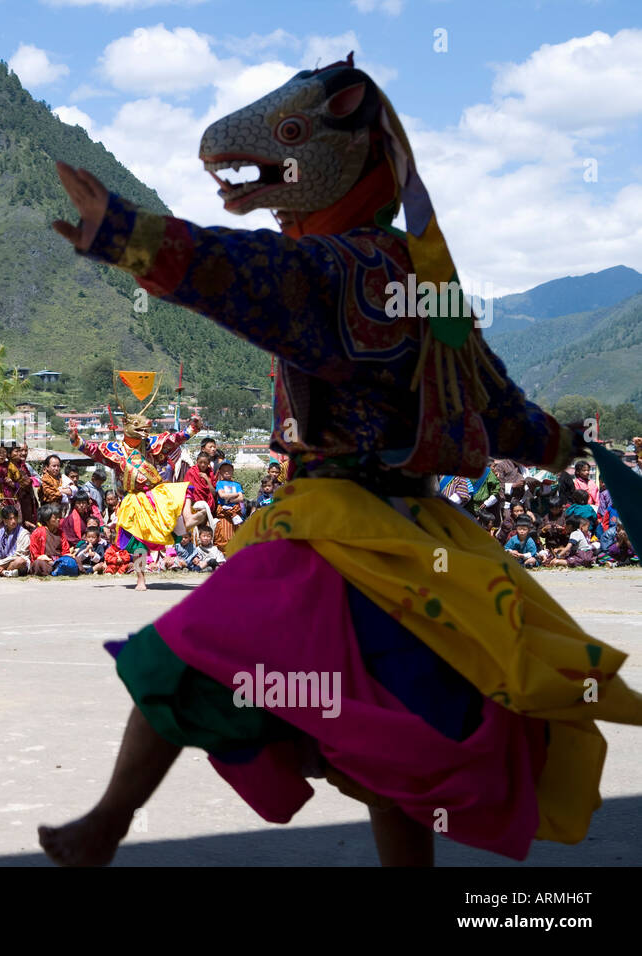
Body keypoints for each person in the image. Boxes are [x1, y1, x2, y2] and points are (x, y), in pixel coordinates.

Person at [39, 59, 642, 868]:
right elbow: (498, 410)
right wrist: (568, 445)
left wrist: (132, 235)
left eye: (291, 138)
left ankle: (108, 822)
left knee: (192, 650)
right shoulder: (428, 287)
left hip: (335, 532)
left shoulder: (356, 267)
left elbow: (257, 279)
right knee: (402, 749)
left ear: (348, 151)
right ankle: (107, 823)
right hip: (423, 541)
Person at [69, 412, 208, 592]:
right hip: (133, 500)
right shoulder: (115, 451)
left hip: (155, 492)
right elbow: (93, 451)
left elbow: (175, 439)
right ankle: (141, 579)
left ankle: (189, 519)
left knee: (182, 491)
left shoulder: (151, 444)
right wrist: (76, 439)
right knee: (138, 543)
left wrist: (193, 427)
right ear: (127, 426)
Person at [28, 505, 70, 576]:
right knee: (38, 563)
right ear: (47, 520)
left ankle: (57, 569)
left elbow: (65, 550)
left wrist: (66, 557)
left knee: (75, 559)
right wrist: (47, 559)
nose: (58, 519)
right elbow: (35, 554)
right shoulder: (38, 532)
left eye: (59, 517)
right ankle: (56, 570)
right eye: (55, 518)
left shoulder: (61, 533)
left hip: (59, 561)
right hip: (45, 560)